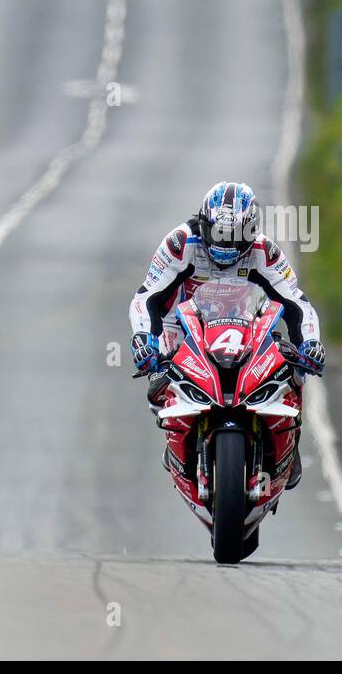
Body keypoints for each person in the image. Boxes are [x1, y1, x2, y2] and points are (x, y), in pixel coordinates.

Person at [129, 182, 325, 489]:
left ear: (251, 231)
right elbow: (147, 297)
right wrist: (144, 339)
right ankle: (179, 439)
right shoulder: (181, 243)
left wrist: (310, 343)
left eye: (236, 237)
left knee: (295, 367)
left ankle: (291, 437)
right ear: (203, 224)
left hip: (250, 327)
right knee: (156, 391)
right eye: (220, 233)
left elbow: (296, 302)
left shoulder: (265, 252)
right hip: (183, 327)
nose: (226, 247)